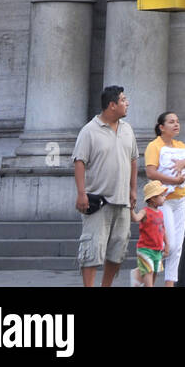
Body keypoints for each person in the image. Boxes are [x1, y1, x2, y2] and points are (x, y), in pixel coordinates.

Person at [72, 85, 138, 288]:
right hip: (98, 200)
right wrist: (81, 193)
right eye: (123, 100)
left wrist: (133, 189)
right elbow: (79, 161)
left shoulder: (127, 129)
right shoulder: (89, 130)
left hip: (123, 200)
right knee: (92, 249)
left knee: (118, 251)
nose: (127, 104)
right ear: (112, 105)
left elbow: (134, 159)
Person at [145, 110, 185, 287]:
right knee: (167, 244)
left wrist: (183, 163)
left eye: (177, 121)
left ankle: (169, 283)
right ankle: (145, 275)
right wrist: (174, 180)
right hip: (162, 201)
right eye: (171, 122)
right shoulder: (154, 146)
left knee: (177, 246)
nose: (176, 124)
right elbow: (151, 172)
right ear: (161, 127)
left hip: (180, 200)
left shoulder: (180, 146)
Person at [130, 180, 170, 288]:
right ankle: (139, 277)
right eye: (162, 195)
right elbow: (135, 218)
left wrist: (167, 244)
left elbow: (163, 230)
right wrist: (131, 209)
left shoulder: (160, 213)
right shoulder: (145, 211)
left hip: (157, 250)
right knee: (149, 272)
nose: (164, 198)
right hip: (145, 249)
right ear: (153, 198)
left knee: (154, 273)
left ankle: (137, 277)